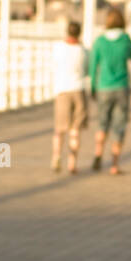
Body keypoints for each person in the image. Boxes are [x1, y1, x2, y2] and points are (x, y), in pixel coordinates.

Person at [89, 7, 131, 175]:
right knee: (119, 125)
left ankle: (98, 154)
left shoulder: (100, 41)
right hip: (121, 87)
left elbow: (93, 65)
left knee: (102, 124)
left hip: (103, 86)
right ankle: (114, 165)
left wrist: (93, 87)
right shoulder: (125, 39)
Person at [51, 19, 89, 175]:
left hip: (62, 90)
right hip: (78, 89)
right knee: (75, 130)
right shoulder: (83, 51)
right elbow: (86, 71)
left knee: (59, 130)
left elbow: (53, 66)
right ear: (79, 32)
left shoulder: (58, 48)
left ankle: (56, 157)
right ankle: (72, 163)